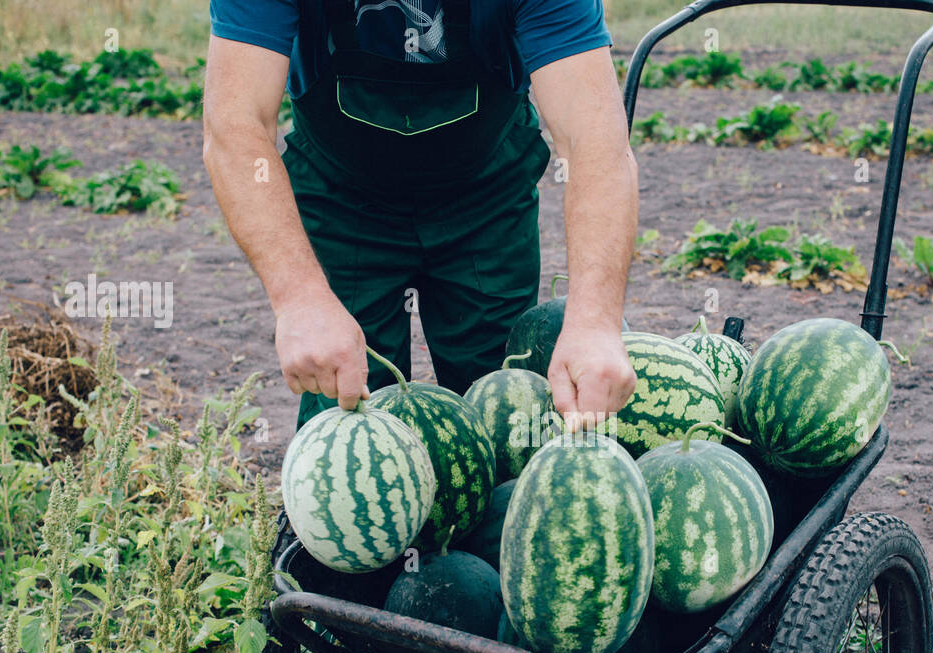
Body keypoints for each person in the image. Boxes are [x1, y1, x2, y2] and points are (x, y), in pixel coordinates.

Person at [203, 0, 639, 433]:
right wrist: (300, 300)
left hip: (486, 201)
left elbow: (593, 137)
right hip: (339, 201)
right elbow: (235, 127)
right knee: (348, 422)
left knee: (503, 413)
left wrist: (595, 323)